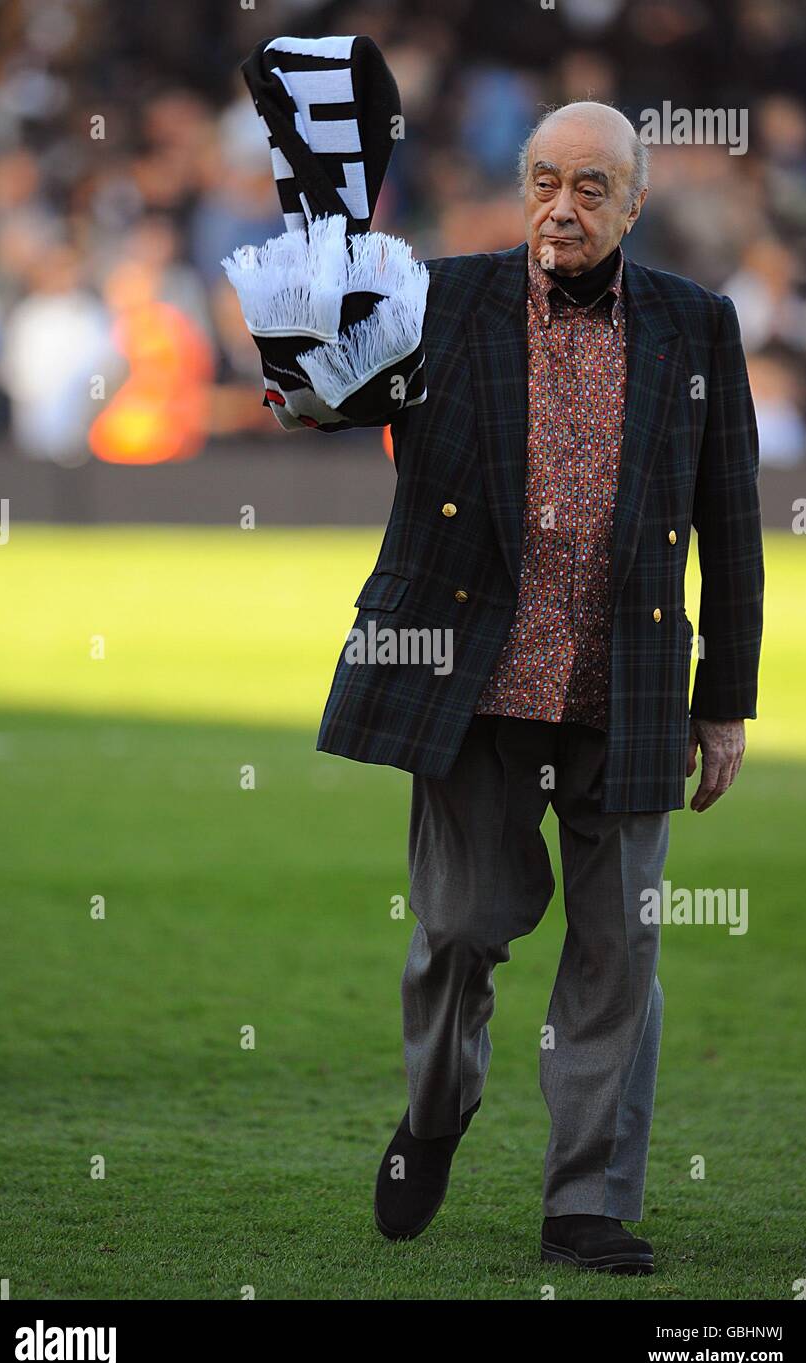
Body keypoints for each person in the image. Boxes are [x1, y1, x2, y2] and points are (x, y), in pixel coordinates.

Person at [255, 100, 765, 1275]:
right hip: (472, 687)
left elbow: (732, 523)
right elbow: (316, 395)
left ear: (634, 204)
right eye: (545, 179)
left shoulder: (698, 325)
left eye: (592, 187)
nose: (562, 206)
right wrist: (295, 334)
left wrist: (724, 697)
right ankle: (435, 1114)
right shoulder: (439, 298)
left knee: (617, 953)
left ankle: (584, 1199)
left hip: (627, 687)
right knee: (457, 933)